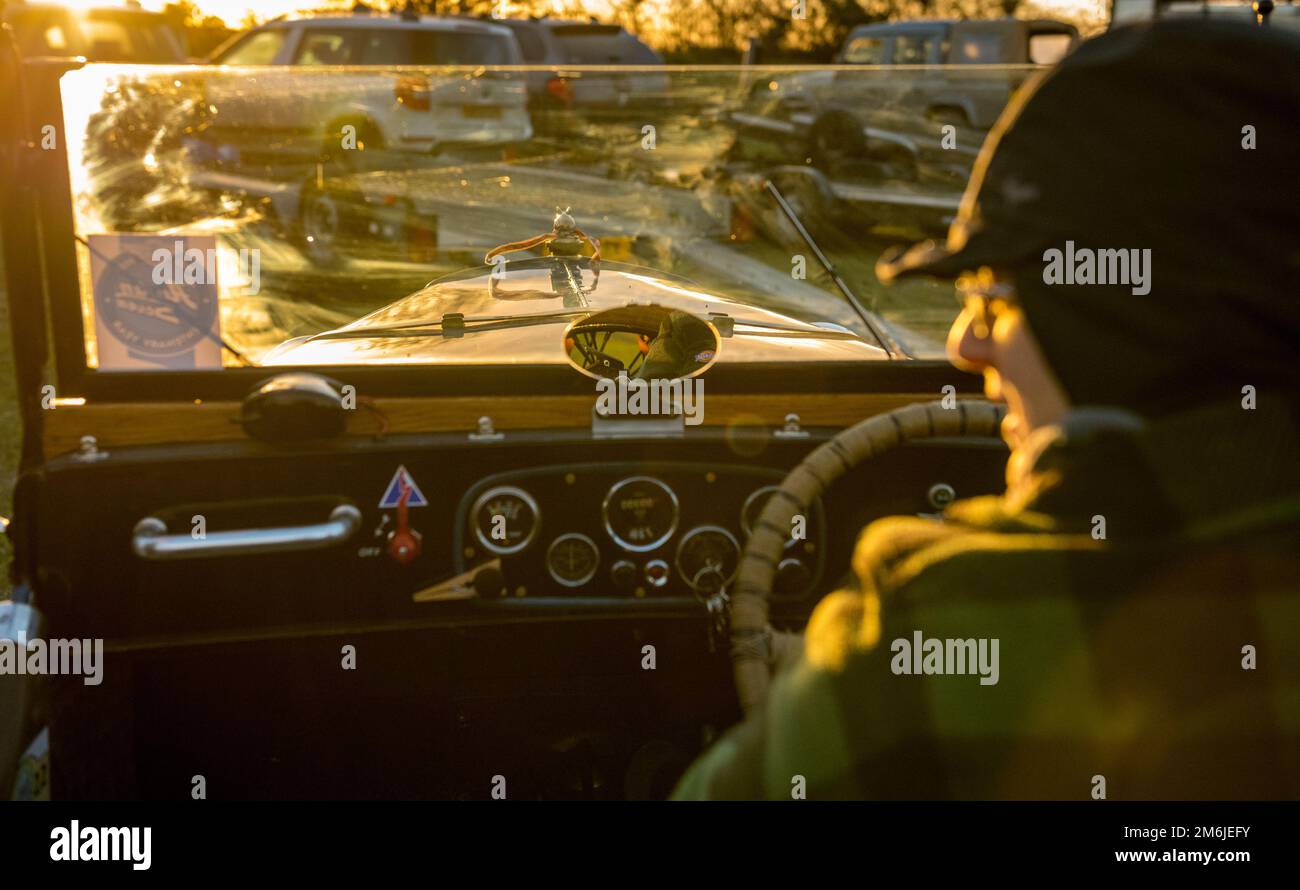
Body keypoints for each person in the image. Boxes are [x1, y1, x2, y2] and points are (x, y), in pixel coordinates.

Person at [672, 19, 1300, 800]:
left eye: (998, 298)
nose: (967, 346)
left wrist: (827, 676)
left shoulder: (934, 632)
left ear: (1127, 321)